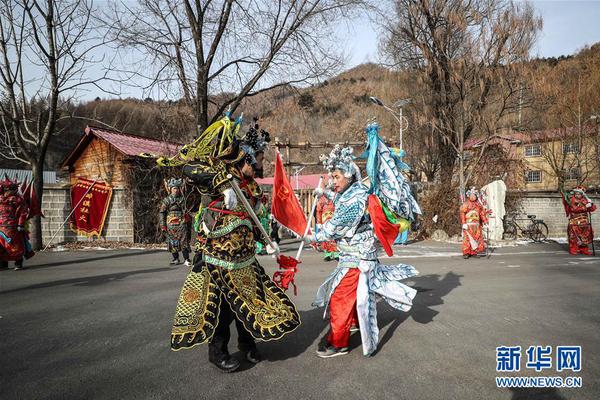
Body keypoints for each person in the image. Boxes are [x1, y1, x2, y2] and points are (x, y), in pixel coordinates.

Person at [163, 116, 300, 372]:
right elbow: (187, 167)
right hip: (216, 258)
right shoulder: (220, 175)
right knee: (222, 310)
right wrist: (222, 184)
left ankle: (248, 345)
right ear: (245, 158)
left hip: (245, 258)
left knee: (249, 303)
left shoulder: (251, 188)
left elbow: (252, 221)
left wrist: (266, 242)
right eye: (258, 159)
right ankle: (218, 352)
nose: (260, 165)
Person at [305, 135, 421, 358]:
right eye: (332, 177)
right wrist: (326, 193)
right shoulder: (351, 191)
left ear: (349, 175)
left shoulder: (356, 197)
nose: (333, 181)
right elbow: (340, 201)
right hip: (356, 255)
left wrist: (312, 236)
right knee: (357, 294)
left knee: (339, 296)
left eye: (336, 177)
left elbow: (336, 226)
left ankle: (338, 343)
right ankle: (355, 323)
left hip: (356, 258)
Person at [0, 178, 34, 271]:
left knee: (15, 245)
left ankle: (18, 262)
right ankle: (3, 263)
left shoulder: (18, 200)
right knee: (2, 246)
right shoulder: (0, 199)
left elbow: (22, 213)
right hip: (1, 228)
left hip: (13, 227)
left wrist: (20, 225)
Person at [159, 178, 192, 266]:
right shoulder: (166, 200)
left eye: (177, 188)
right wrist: (162, 225)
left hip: (182, 223)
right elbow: (162, 212)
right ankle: (175, 258)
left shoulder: (183, 199)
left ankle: (186, 259)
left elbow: (186, 210)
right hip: (170, 224)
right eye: (174, 188)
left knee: (184, 241)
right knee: (173, 242)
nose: (176, 190)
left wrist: (187, 217)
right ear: (170, 189)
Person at [562, 186, 596, 255]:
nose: (578, 195)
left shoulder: (584, 200)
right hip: (574, 221)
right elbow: (574, 209)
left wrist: (591, 204)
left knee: (585, 235)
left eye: (579, 194)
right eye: (576, 194)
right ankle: (573, 249)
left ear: (582, 194)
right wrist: (584, 207)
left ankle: (583, 249)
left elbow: (592, 209)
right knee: (574, 236)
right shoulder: (571, 200)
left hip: (584, 222)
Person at [460, 187, 488, 259]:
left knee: (476, 238)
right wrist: (464, 223)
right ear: (469, 196)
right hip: (468, 224)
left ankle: (474, 251)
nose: (473, 197)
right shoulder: (466, 204)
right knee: (467, 239)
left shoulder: (478, 205)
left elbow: (482, 214)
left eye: (474, 195)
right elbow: (462, 213)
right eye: (471, 195)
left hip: (476, 225)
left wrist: (485, 221)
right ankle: (466, 252)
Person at [315, 191, 339, 262]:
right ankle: (327, 254)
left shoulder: (336, 198)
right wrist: (319, 222)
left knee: (334, 237)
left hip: (334, 219)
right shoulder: (322, 200)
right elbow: (318, 211)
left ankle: (336, 253)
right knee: (326, 237)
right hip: (324, 220)